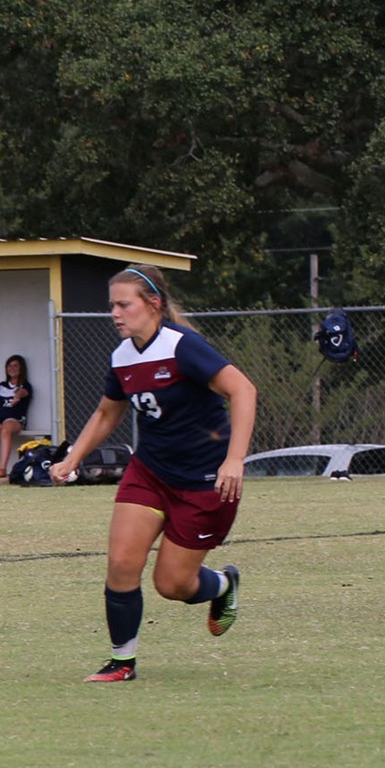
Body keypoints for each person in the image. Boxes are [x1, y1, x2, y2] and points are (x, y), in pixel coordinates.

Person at [49, 264, 255, 684]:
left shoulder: (184, 347)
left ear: (154, 305)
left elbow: (243, 390)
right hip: (151, 471)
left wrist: (234, 460)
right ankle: (122, 662)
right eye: (112, 305)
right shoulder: (122, 356)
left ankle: (222, 585)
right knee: (122, 561)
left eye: (124, 304)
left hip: (202, 481)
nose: (115, 313)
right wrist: (73, 457)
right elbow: (109, 412)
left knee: (173, 585)